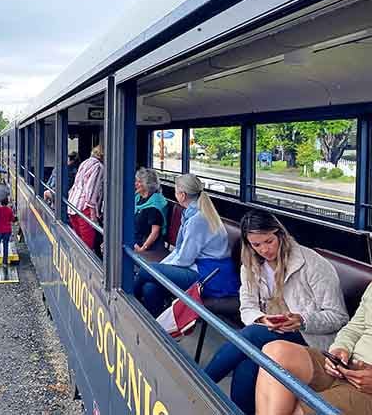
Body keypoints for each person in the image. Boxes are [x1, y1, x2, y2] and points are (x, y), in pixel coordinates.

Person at [204, 209, 348, 414]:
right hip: (270, 332)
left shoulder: (312, 263)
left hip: (311, 337)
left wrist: (302, 320)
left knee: (253, 336)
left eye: (269, 241)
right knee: (247, 362)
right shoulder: (251, 265)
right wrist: (262, 318)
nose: (264, 249)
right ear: (249, 244)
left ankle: (200, 380)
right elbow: (247, 306)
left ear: (280, 234)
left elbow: (339, 317)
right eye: (256, 244)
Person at [255, 282, 372, 415]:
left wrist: (302, 320)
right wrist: (341, 347)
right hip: (346, 366)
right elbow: (355, 328)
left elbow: (336, 316)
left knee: (254, 337)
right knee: (274, 351)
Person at [136, 173, 235, 316]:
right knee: (150, 287)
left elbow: (184, 258)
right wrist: (162, 267)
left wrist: (161, 268)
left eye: (176, 191)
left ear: (182, 195)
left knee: (147, 270)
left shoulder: (197, 219)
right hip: (198, 268)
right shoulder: (193, 213)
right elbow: (180, 253)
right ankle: (156, 328)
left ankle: (127, 296)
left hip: (208, 276)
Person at [68, 145, 104, 251]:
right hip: (85, 208)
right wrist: (93, 213)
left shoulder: (85, 162)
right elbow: (91, 191)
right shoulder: (98, 167)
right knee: (87, 244)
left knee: (79, 240)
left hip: (73, 204)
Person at [132, 168, 168, 256]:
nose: (135, 184)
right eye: (136, 180)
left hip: (146, 245)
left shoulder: (155, 204)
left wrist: (142, 248)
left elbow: (155, 232)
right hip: (134, 240)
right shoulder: (138, 197)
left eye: (139, 181)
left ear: (148, 185)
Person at [0, 198, 15, 267]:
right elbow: (12, 219)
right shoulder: (9, 210)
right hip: (7, 231)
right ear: (7, 203)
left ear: (1, 203)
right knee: (5, 246)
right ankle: (4, 263)